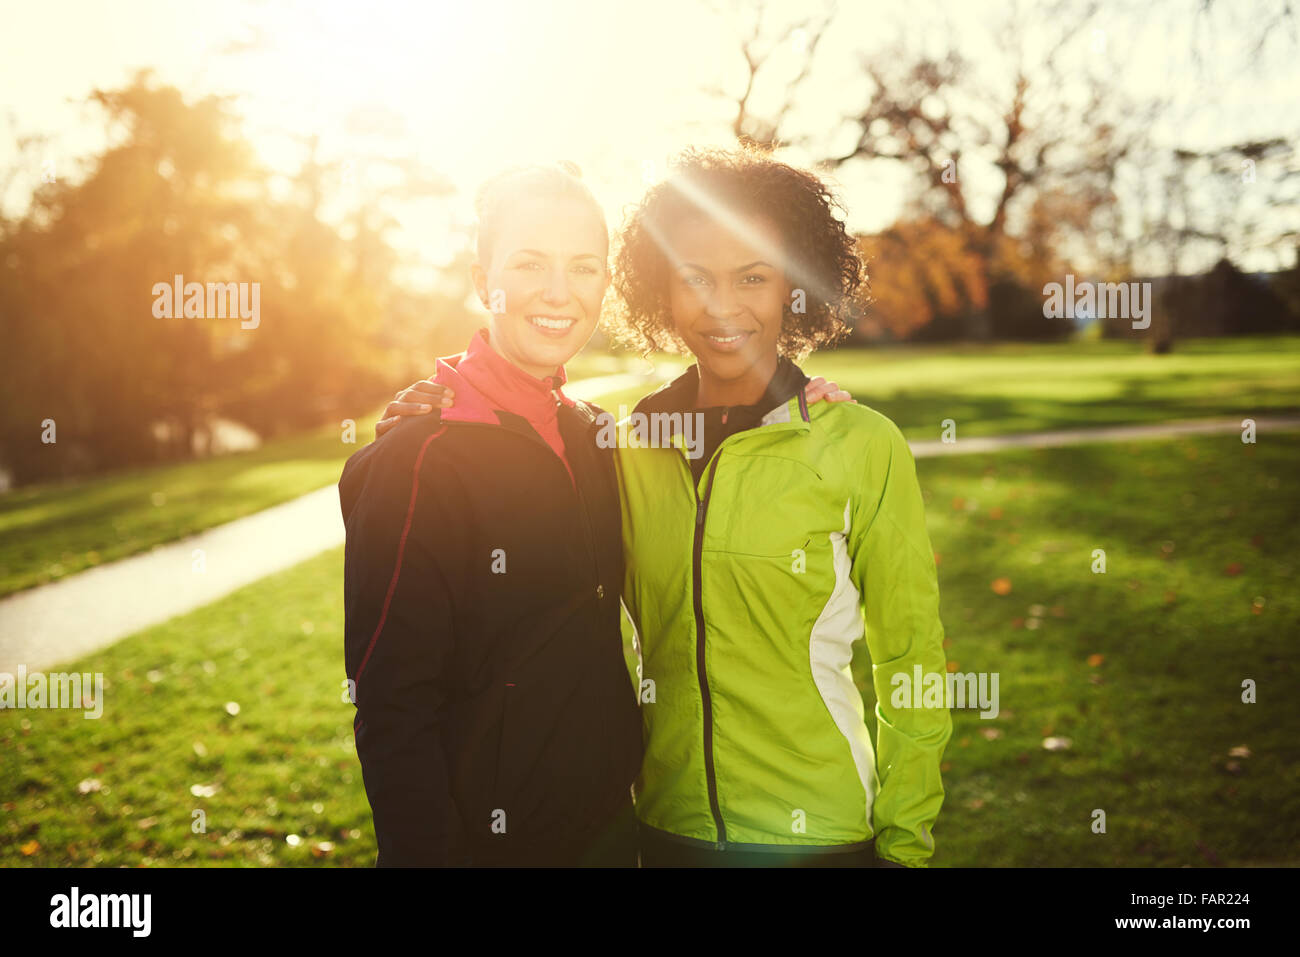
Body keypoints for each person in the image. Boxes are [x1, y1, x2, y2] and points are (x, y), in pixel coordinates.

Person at [380, 148, 951, 868]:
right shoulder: (626, 447)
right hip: (663, 830)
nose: (724, 306)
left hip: (820, 836)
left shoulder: (862, 445)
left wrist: (904, 843)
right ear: (662, 290)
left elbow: (912, 658)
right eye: (695, 279)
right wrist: (435, 401)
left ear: (792, 290)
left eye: (754, 278)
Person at [339, 164, 643, 866]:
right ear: (484, 281)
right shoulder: (418, 460)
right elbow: (392, 708)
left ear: (605, 284)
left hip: (612, 829)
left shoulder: (597, 436)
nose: (558, 292)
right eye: (529, 263)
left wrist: (801, 395)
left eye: (583, 267)